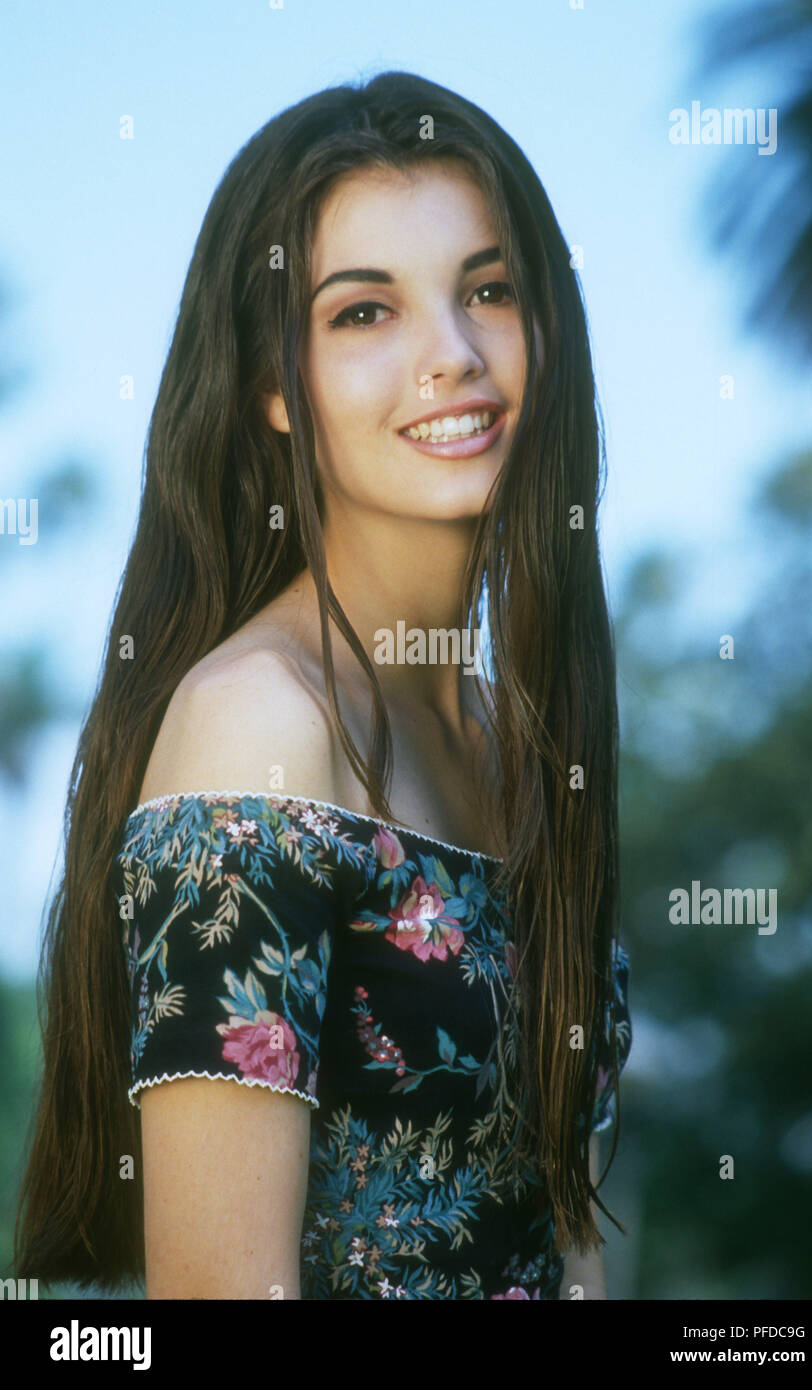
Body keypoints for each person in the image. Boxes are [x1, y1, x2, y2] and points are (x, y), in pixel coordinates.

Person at [15, 70, 631, 1300]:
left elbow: (566, 1234)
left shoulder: (516, 746)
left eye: (490, 291)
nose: (451, 356)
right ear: (274, 388)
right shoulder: (262, 724)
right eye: (365, 314)